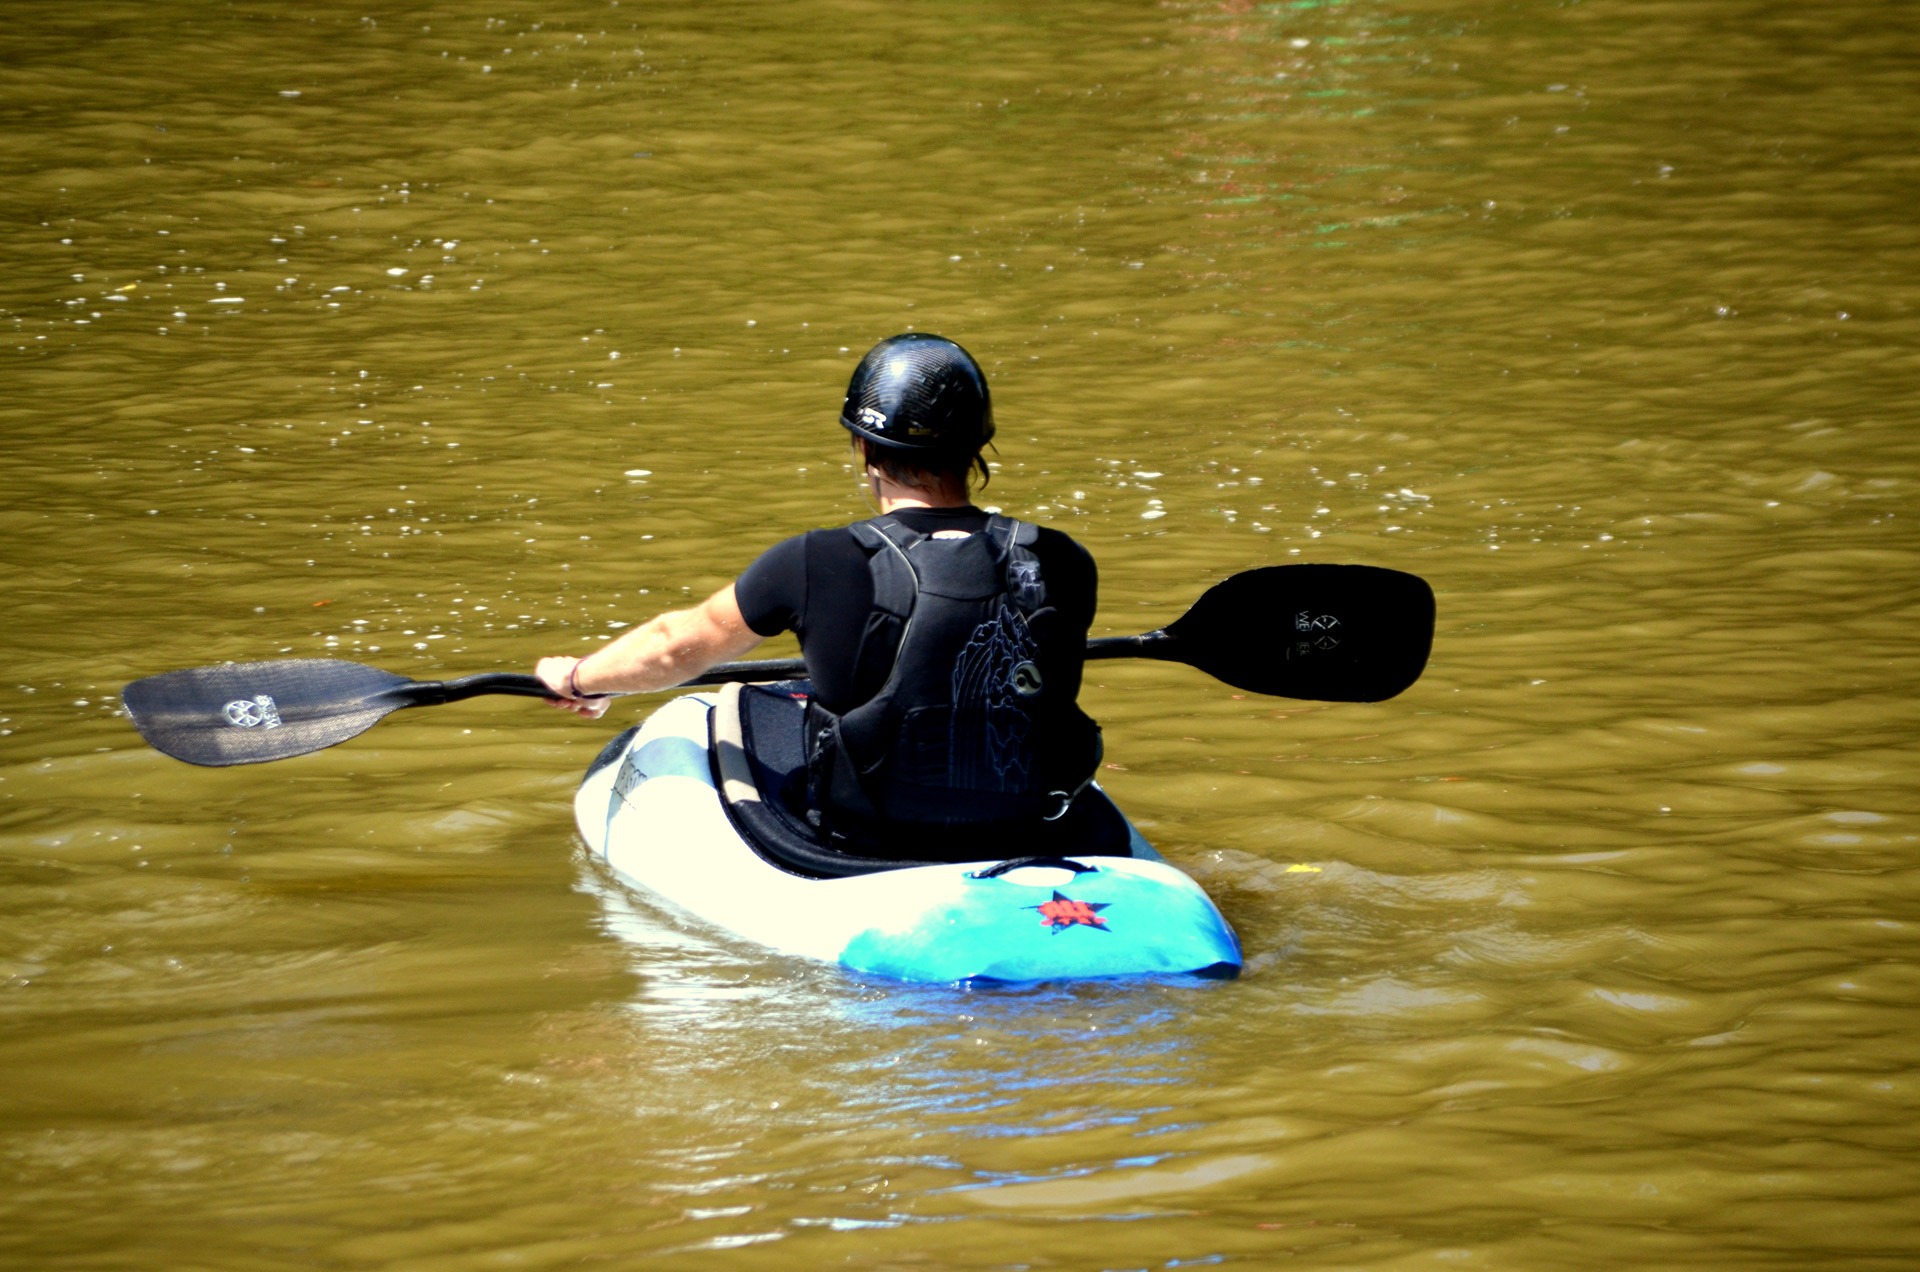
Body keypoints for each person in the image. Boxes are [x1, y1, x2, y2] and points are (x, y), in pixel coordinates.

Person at [534, 332, 1123, 860]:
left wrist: (584, 678)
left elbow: (674, 649)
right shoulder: (1063, 559)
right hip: (1030, 823)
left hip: (874, 834)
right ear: (976, 449)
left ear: (864, 451)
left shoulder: (817, 561)